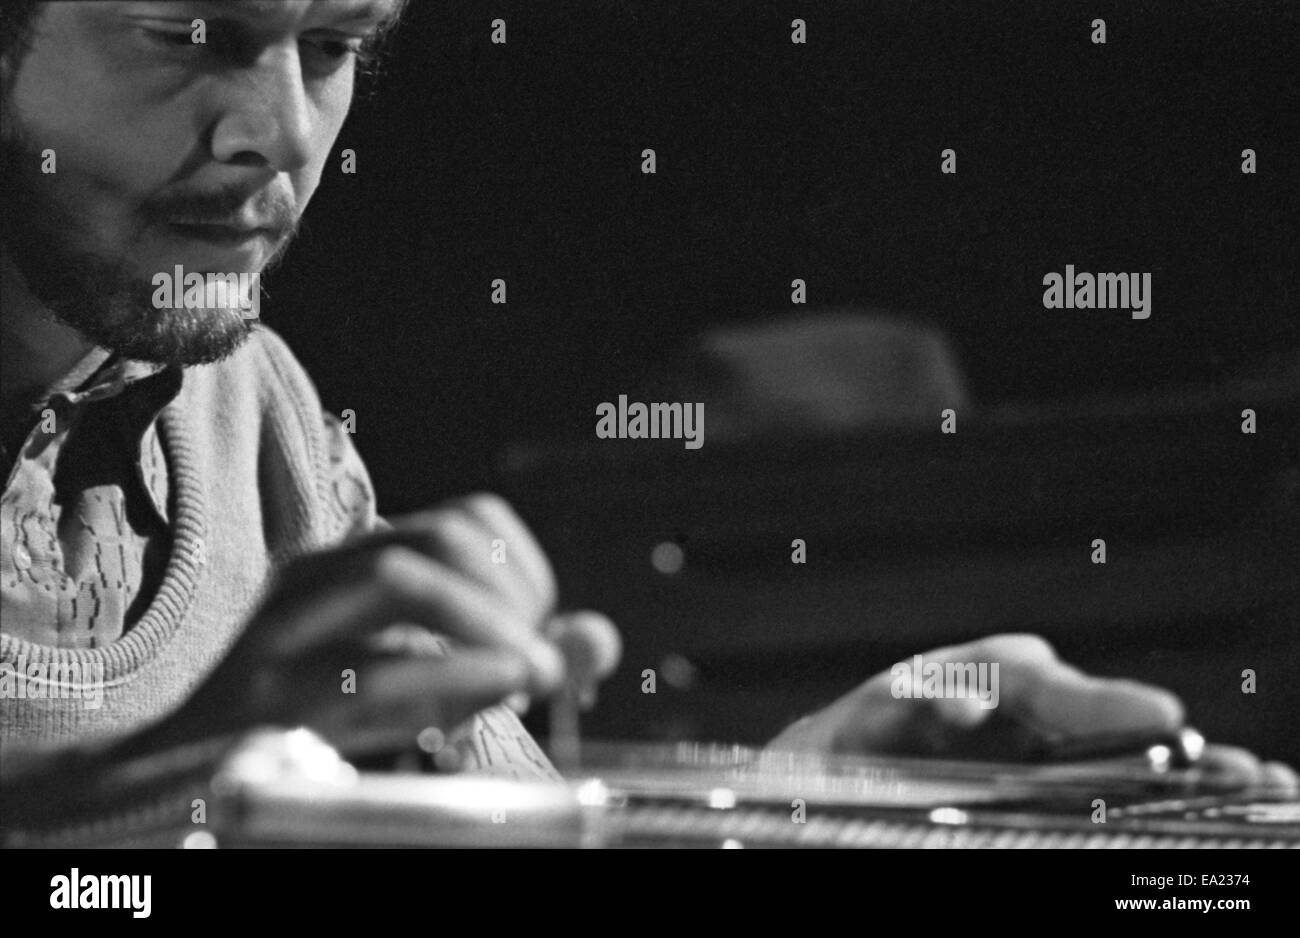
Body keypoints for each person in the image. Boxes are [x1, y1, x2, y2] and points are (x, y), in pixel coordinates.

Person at [1, 1, 1290, 809]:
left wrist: (812, 794)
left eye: (334, 47)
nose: (278, 131)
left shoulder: (256, 407)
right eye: (190, 36)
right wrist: (185, 773)